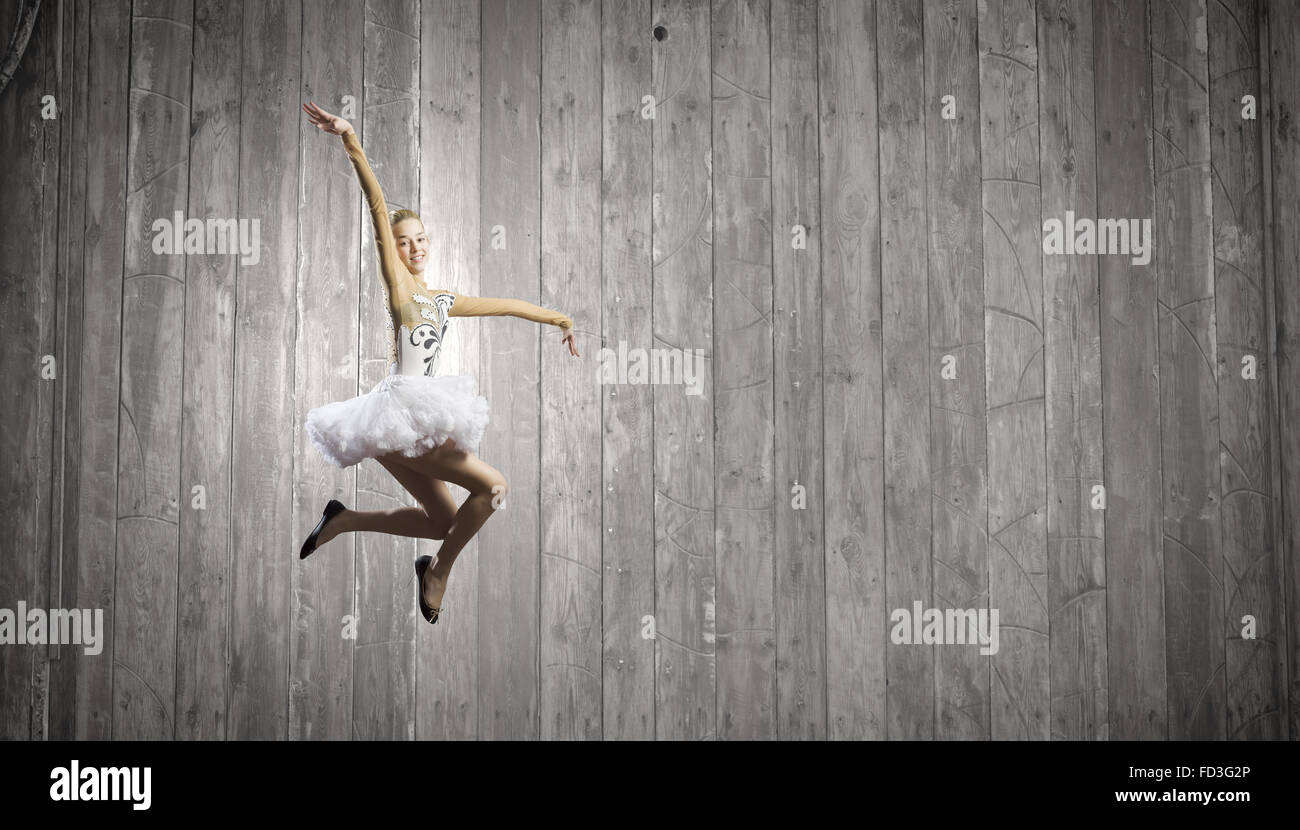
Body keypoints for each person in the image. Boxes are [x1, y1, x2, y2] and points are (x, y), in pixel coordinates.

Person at [297, 101, 579, 625]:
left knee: (445, 519)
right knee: (492, 489)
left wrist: (558, 318)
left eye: (420, 239)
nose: (414, 247)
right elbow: (377, 207)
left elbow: (506, 305)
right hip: (402, 412)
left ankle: (343, 520)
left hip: (408, 418)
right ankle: (438, 572)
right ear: (395, 254)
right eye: (404, 244)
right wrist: (349, 139)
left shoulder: (443, 299)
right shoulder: (399, 286)